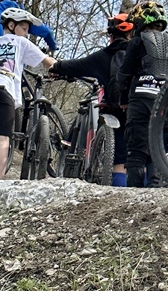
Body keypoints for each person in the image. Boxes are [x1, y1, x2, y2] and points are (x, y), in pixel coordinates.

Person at [117, 1, 168, 187]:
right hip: (167, 101)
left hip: (141, 98)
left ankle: (134, 192)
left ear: (139, 22)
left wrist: (123, 98)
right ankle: (155, 190)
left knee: (136, 149)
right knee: (159, 149)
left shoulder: (137, 41)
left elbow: (124, 74)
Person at [49, 13, 133, 186]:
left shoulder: (104, 56)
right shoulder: (143, 54)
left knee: (120, 160)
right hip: (142, 109)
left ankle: (120, 194)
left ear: (111, 36)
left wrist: (56, 67)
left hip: (116, 111)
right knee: (142, 158)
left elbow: (77, 65)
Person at [0, 8, 56, 181]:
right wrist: (64, 68)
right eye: (24, 29)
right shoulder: (21, 42)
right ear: (11, 25)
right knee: (2, 139)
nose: (26, 34)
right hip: (3, 90)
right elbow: (47, 62)